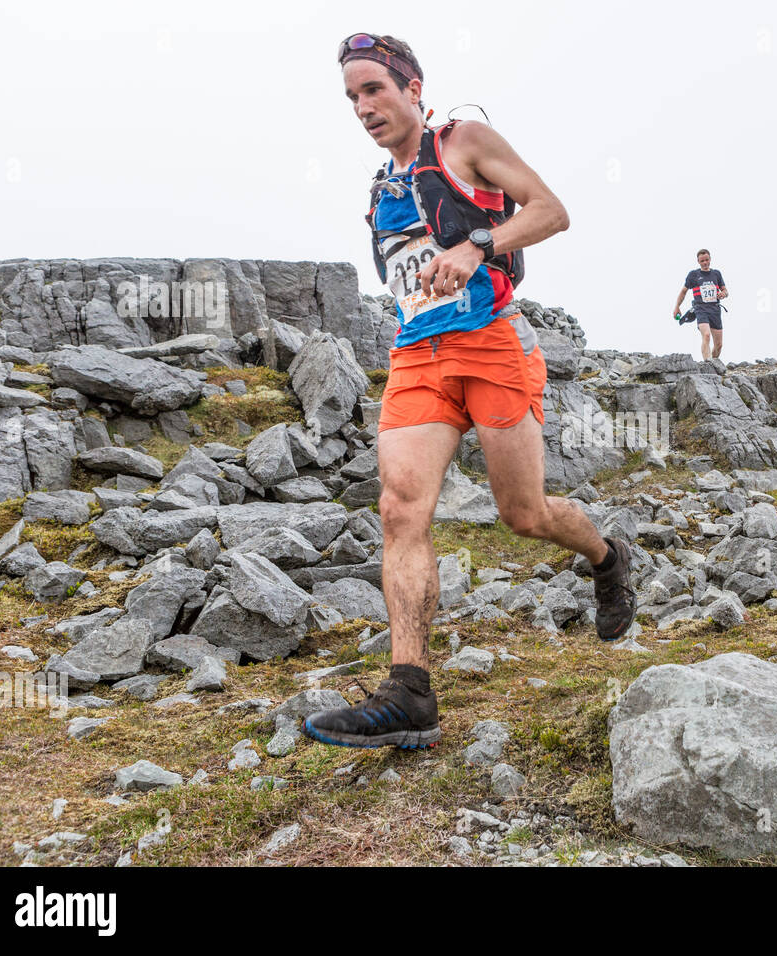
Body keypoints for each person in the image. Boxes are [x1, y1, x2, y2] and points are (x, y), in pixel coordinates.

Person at [304, 34, 636, 751]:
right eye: (352, 97)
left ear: (413, 87)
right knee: (399, 508)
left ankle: (607, 558)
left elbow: (551, 210)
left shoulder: (465, 141)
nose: (364, 107)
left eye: (375, 90)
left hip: (492, 345)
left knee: (523, 514)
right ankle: (409, 691)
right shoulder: (380, 189)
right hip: (418, 356)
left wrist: (475, 245)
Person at [674, 249, 728, 361]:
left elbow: (725, 290)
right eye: (702, 260)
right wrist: (677, 307)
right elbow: (683, 292)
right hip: (700, 309)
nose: (705, 262)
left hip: (715, 310)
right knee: (706, 335)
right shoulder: (693, 275)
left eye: (707, 260)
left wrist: (723, 293)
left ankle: (713, 364)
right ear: (698, 261)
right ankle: (707, 363)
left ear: (710, 259)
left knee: (719, 345)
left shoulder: (716, 274)